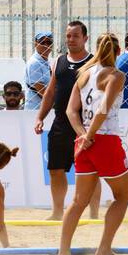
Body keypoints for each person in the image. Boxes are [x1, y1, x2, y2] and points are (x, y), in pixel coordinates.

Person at [58, 32, 128, 255]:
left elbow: (70, 111)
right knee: (123, 196)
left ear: (96, 50)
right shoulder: (116, 75)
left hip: (84, 142)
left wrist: (82, 137)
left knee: (78, 201)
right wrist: (89, 136)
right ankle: (103, 250)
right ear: (118, 52)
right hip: (105, 140)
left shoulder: (84, 73)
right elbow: (103, 110)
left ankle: (63, 254)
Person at [34, 21, 102, 222]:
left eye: (75, 36)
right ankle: (57, 212)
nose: (71, 40)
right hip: (61, 123)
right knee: (55, 169)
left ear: (85, 38)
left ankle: (94, 214)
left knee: (91, 172)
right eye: (68, 36)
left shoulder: (94, 63)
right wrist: (40, 117)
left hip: (86, 124)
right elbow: (50, 92)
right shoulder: (58, 61)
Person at [23, 31, 53, 108]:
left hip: (42, 108)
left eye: (49, 42)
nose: (46, 45)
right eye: (42, 42)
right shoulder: (34, 63)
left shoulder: (44, 62)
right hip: (35, 110)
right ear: (35, 44)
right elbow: (42, 91)